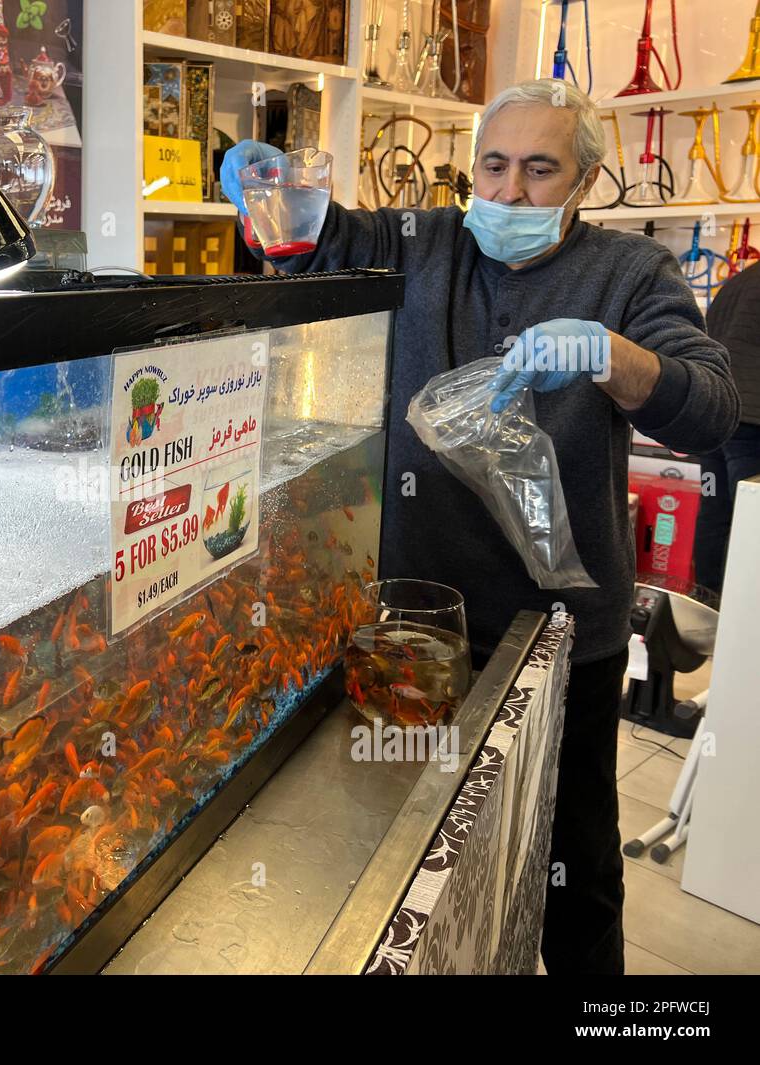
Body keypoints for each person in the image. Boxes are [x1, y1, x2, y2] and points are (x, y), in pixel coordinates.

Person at [222, 78, 739, 975]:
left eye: (541, 170)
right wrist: (271, 193)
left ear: (585, 179)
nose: (507, 192)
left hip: (562, 636)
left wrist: (612, 355)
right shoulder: (425, 240)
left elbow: (712, 411)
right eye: (492, 166)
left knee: (573, 865)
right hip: (420, 623)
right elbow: (316, 247)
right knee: (411, 847)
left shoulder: (629, 272)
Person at [693, 264, 760, 595]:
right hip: (752, 425)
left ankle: (707, 606)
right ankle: (742, 621)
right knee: (751, 523)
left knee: (714, 510)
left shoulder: (737, 282)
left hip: (715, 419)